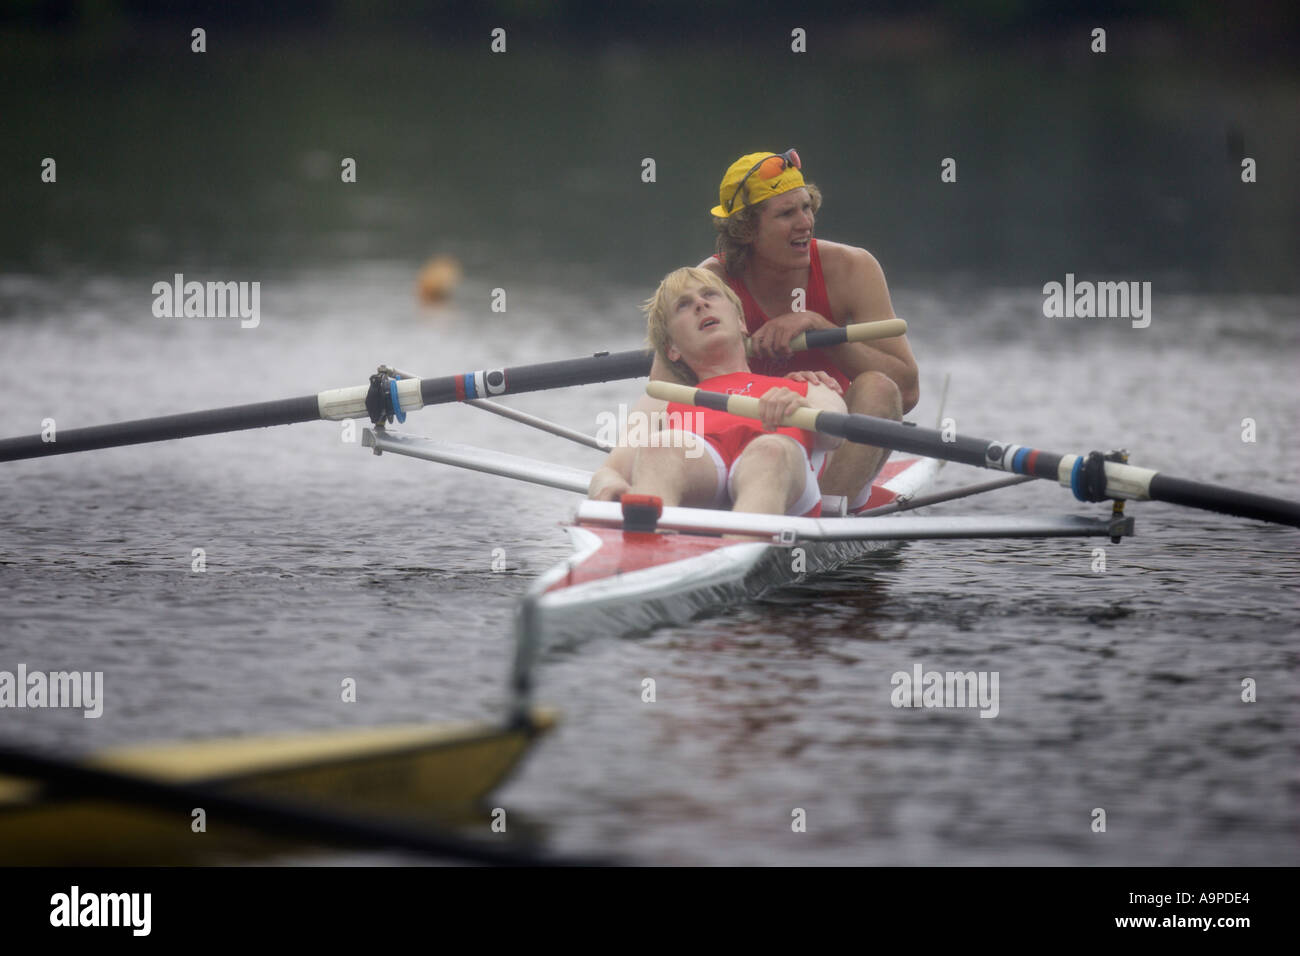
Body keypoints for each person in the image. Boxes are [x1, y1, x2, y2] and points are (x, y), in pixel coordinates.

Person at [649, 149, 919, 514]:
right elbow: (662, 395)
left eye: (807, 208)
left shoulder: (852, 268)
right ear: (746, 229)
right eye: (786, 214)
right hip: (740, 444)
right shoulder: (708, 287)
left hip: (828, 441)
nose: (805, 223)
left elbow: (907, 392)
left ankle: (824, 511)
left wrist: (820, 327)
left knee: (879, 387)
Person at [587, 267, 846, 517]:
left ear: (741, 322)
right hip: (702, 473)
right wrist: (609, 487)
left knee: (770, 451)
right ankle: (646, 535)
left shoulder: (808, 386)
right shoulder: (661, 401)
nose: (701, 304)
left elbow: (835, 436)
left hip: (782, 478)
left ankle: (739, 540)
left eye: (710, 294)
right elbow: (609, 472)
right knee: (661, 446)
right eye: (683, 305)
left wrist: (800, 409)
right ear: (672, 349)